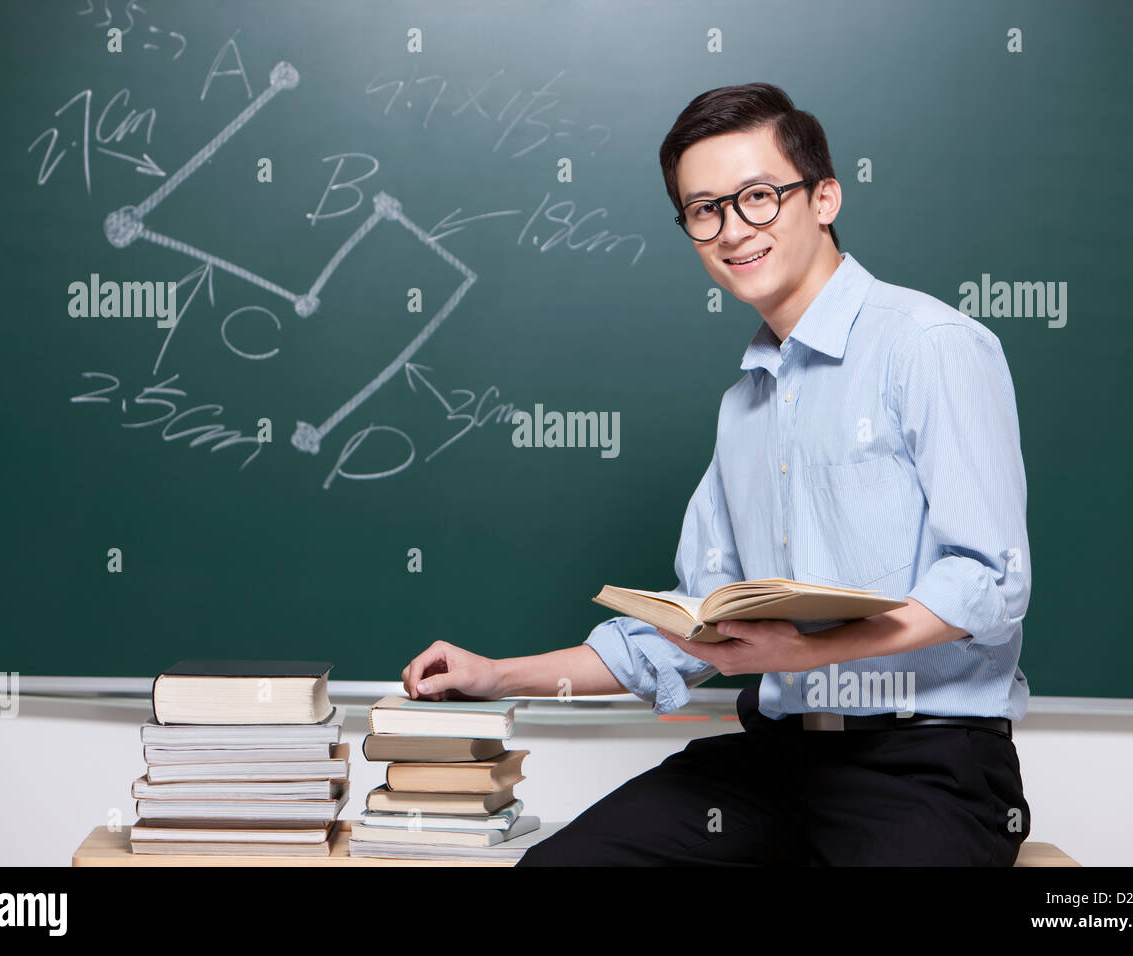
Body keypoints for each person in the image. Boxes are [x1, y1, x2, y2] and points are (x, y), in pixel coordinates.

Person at [400, 82, 1032, 866]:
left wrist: (808, 653)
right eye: (705, 211)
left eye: (759, 197)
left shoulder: (930, 344)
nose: (734, 230)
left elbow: (990, 582)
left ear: (824, 197)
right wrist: (495, 675)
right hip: (776, 762)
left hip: (928, 764)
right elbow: (691, 627)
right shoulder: (746, 406)